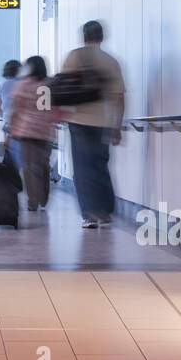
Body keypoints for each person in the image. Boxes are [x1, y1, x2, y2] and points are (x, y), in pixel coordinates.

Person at [61, 19, 126, 228]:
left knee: (82, 168)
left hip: (78, 120)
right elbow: (119, 96)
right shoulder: (111, 61)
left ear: (84, 37)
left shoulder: (74, 56)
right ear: (102, 37)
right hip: (103, 121)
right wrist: (117, 125)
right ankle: (105, 210)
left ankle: (89, 214)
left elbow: (62, 87)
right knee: (100, 164)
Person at [7, 55, 61, 211]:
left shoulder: (22, 85)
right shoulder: (50, 84)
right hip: (45, 131)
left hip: (27, 132)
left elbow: (16, 110)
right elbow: (56, 107)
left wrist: (11, 131)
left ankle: (33, 201)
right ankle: (43, 197)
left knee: (29, 167)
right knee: (43, 165)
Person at [0, 59, 23, 168]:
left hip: (7, 124)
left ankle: (11, 180)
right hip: (22, 124)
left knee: (11, 156)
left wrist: (5, 117)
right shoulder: (24, 84)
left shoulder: (2, 85)